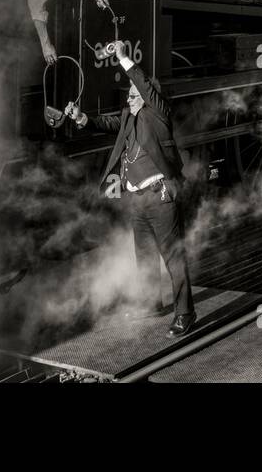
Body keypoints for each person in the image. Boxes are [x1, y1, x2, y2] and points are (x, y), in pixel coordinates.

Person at [65, 40, 196, 338]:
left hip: (160, 196)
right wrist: (83, 119)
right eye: (130, 96)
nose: (131, 99)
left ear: (150, 98)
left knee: (173, 257)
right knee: (146, 256)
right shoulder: (130, 116)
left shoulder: (158, 114)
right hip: (137, 198)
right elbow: (110, 124)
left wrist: (123, 59)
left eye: (136, 95)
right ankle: (152, 303)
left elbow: (145, 88)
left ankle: (186, 313)